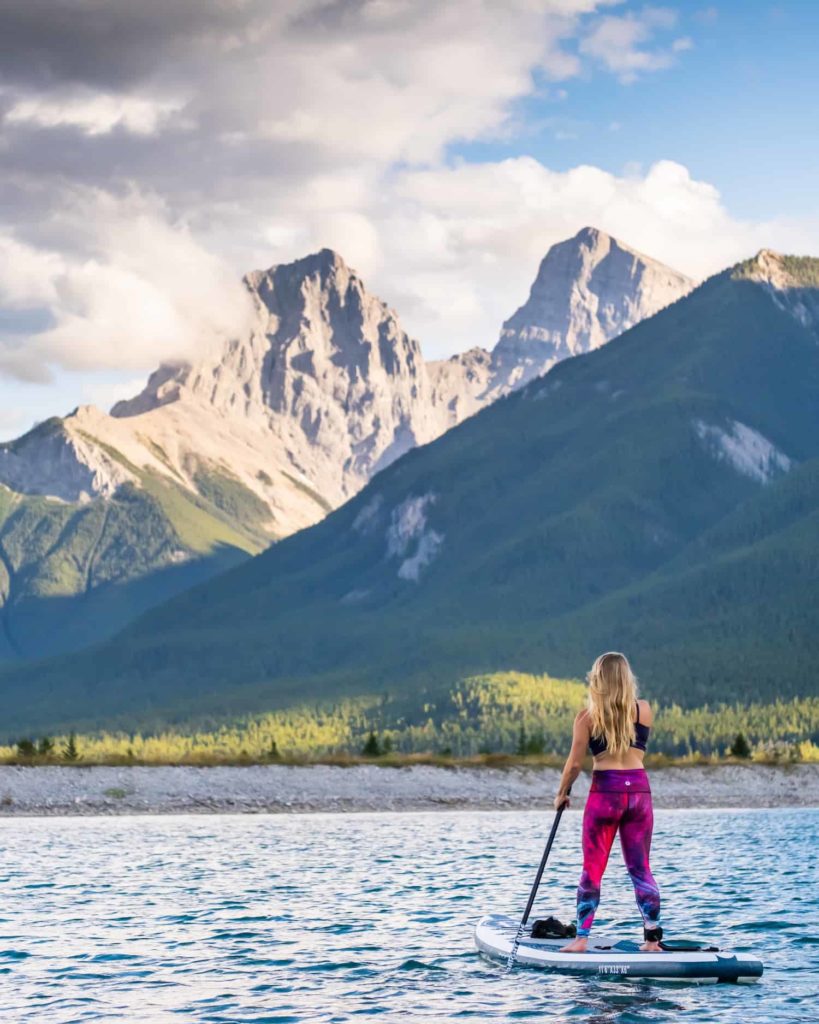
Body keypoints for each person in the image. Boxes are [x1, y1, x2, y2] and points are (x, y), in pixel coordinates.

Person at [553, 651, 663, 953]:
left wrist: (562, 793)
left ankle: (581, 939)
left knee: (593, 868)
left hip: (605, 793)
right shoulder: (643, 710)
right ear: (627, 679)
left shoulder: (587, 718)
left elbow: (575, 764)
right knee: (641, 869)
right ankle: (652, 941)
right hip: (638, 792)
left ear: (597, 680)